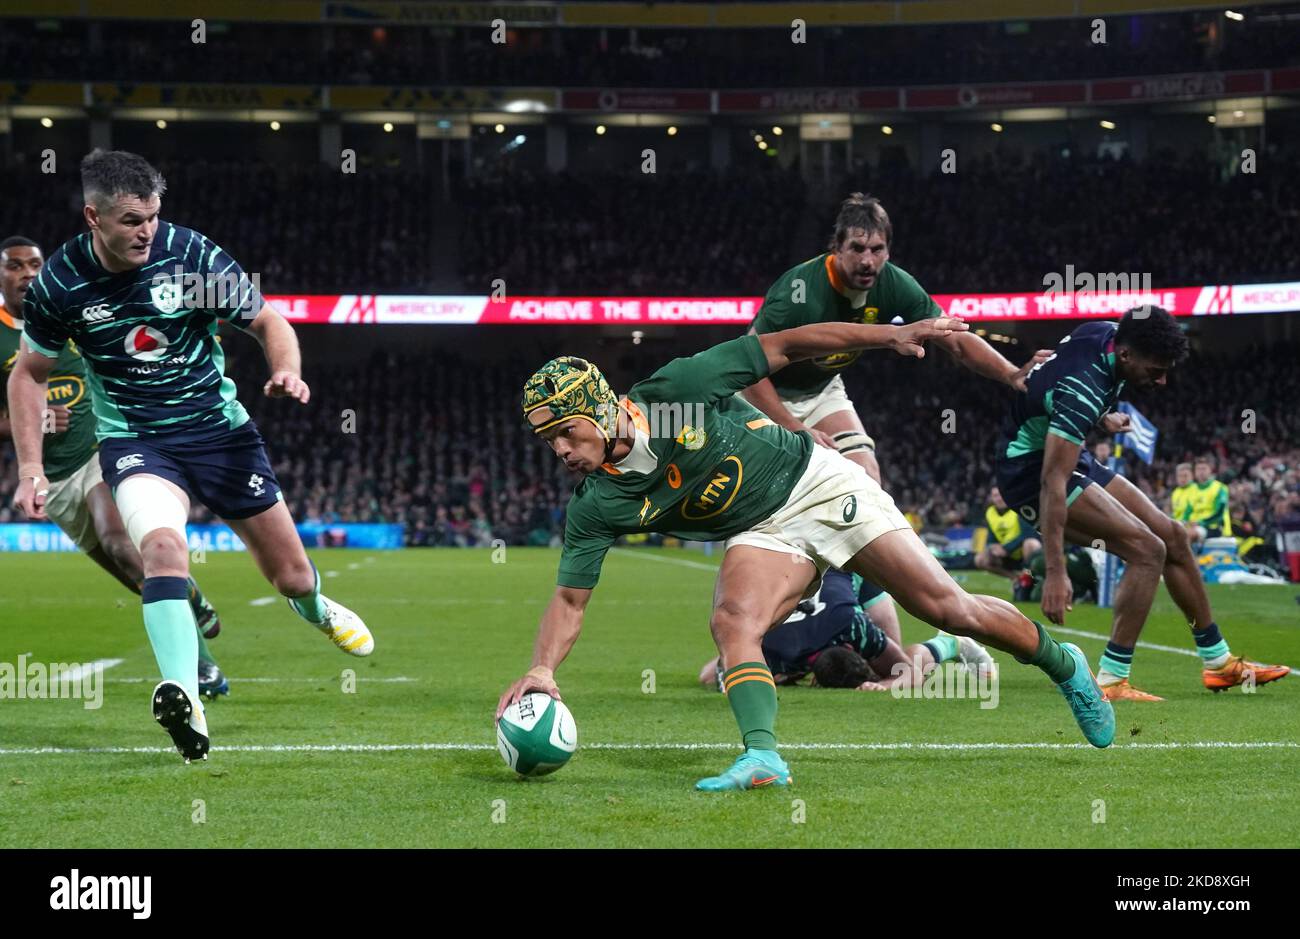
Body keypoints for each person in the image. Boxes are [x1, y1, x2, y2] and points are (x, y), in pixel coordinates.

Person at [497, 315, 1114, 794]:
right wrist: (543, 670)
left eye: (564, 431)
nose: (558, 449)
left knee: (947, 608)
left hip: (816, 482)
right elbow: (571, 599)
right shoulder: (597, 502)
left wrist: (892, 335)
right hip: (763, 529)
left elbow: (785, 345)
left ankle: (1065, 665)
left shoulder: (674, 391)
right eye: (546, 439)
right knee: (733, 623)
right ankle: (763, 755)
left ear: (600, 410)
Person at [7, 150, 374, 763]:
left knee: (289, 576)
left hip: (220, 434)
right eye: (130, 220)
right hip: (136, 441)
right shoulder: (61, 284)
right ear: (92, 217)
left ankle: (313, 603)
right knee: (159, 550)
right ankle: (186, 694)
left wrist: (286, 371)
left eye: (151, 216)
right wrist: (29, 468)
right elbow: (29, 374)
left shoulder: (191, 257)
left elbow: (267, 321)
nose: (145, 230)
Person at [739, 193, 1051, 650]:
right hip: (761, 397)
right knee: (762, 511)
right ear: (836, 249)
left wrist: (1010, 372)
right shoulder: (798, 291)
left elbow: (953, 338)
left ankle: (859, 591)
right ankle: (759, 612)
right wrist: (795, 427)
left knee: (868, 479)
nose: (868, 260)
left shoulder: (894, 285)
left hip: (822, 389)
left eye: (878, 249)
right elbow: (751, 374)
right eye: (858, 249)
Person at [994, 306, 1288, 703]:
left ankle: (1219, 664)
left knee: (1173, 535)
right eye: (1156, 371)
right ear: (1127, 355)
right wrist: (1055, 571)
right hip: (1030, 473)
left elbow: (1053, 389)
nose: (1162, 380)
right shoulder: (1084, 388)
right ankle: (1112, 680)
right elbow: (1052, 481)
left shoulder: (1108, 335)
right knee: (1148, 550)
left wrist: (1102, 417)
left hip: (1066, 454)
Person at [1, 235, 228, 697]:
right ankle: (198, 630)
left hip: (106, 448)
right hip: (55, 476)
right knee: (130, 569)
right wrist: (23, 424)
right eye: (14, 266)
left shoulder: (69, 307)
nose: (27, 274)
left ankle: (196, 670)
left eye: (35, 264)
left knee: (120, 541)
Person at [696, 568, 997, 691]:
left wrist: (882, 684)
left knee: (892, 666)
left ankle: (952, 644)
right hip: (804, 575)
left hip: (853, 572)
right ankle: (947, 644)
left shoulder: (855, 627)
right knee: (712, 674)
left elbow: (907, 672)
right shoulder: (777, 648)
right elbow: (715, 677)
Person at [975, 484, 1042, 596]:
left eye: (1001, 495)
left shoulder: (1018, 507)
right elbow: (991, 539)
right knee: (980, 559)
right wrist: (992, 547)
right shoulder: (990, 513)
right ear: (992, 498)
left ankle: (1032, 577)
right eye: (995, 496)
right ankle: (1016, 578)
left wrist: (1006, 548)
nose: (999, 498)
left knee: (1031, 544)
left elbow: (1029, 534)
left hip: (1022, 552)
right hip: (1007, 556)